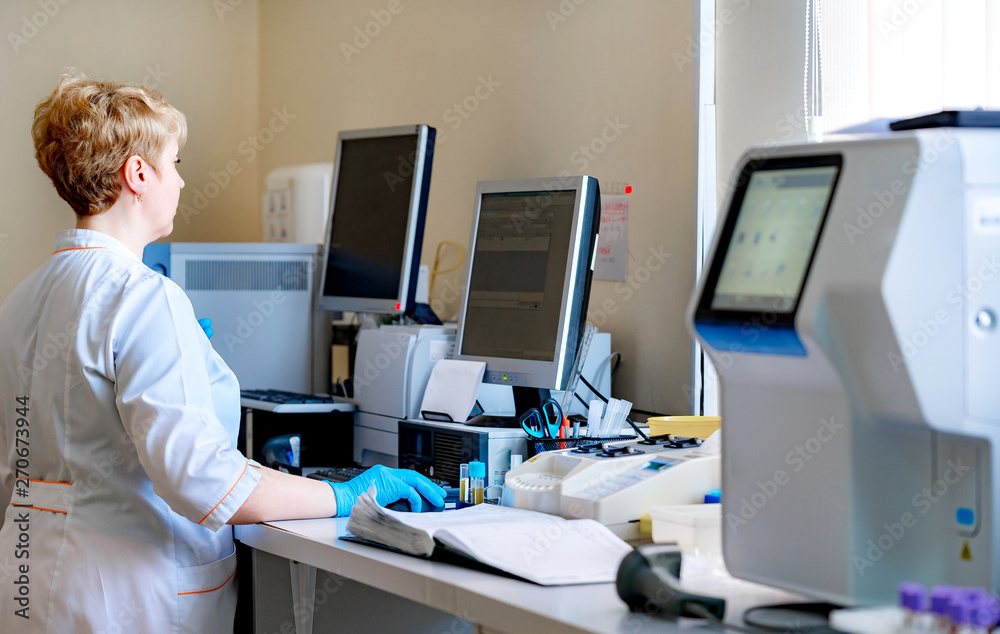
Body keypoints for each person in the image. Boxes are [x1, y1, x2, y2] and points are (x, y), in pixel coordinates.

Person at [0, 74, 445, 633]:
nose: (182, 183)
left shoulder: (24, 298)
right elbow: (202, 482)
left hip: (30, 588)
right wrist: (344, 493)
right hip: (130, 597)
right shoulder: (143, 298)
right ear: (138, 174)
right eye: (175, 162)